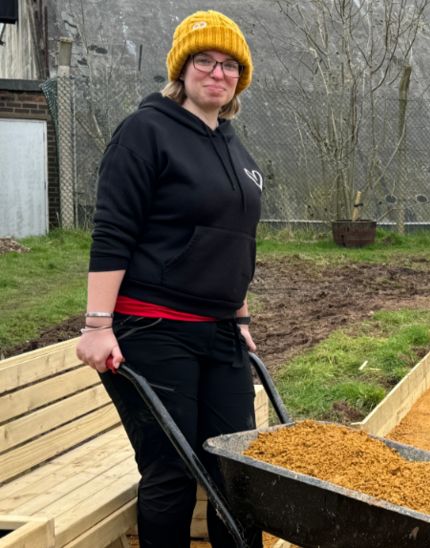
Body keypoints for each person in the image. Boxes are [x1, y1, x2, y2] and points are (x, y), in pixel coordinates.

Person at [74, 10, 264, 548]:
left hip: (220, 333)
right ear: (181, 68)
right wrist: (97, 325)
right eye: (204, 60)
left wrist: (240, 315)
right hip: (152, 330)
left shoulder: (234, 145)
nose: (217, 72)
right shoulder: (145, 132)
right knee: (173, 471)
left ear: (239, 79)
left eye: (230, 64)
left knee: (237, 470)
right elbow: (113, 231)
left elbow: (236, 239)